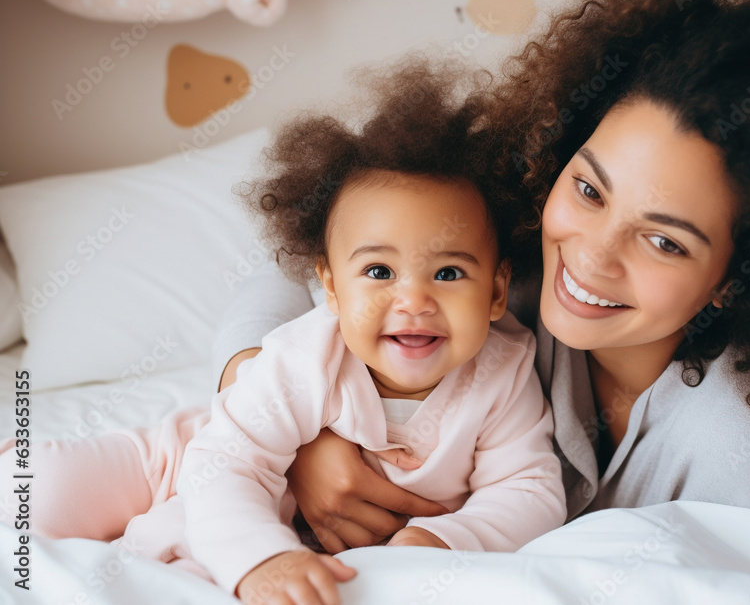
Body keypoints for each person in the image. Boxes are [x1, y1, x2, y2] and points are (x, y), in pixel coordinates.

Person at [218, 0, 750, 575]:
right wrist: (295, 436)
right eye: (589, 189)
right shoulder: (503, 274)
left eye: (663, 240)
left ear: (737, 276)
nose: (589, 255)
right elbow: (294, 276)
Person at [0, 66, 566, 605]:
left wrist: (449, 538)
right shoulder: (308, 355)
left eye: (448, 273)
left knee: (187, 566)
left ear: (496, 291)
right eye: (378, 272)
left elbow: (529, 492)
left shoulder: (505, 371)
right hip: (189, 454)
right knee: (41, 492)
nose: (413, 301)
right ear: (331, 289)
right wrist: (257, 559)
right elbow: (224, 466)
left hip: (279, 509)